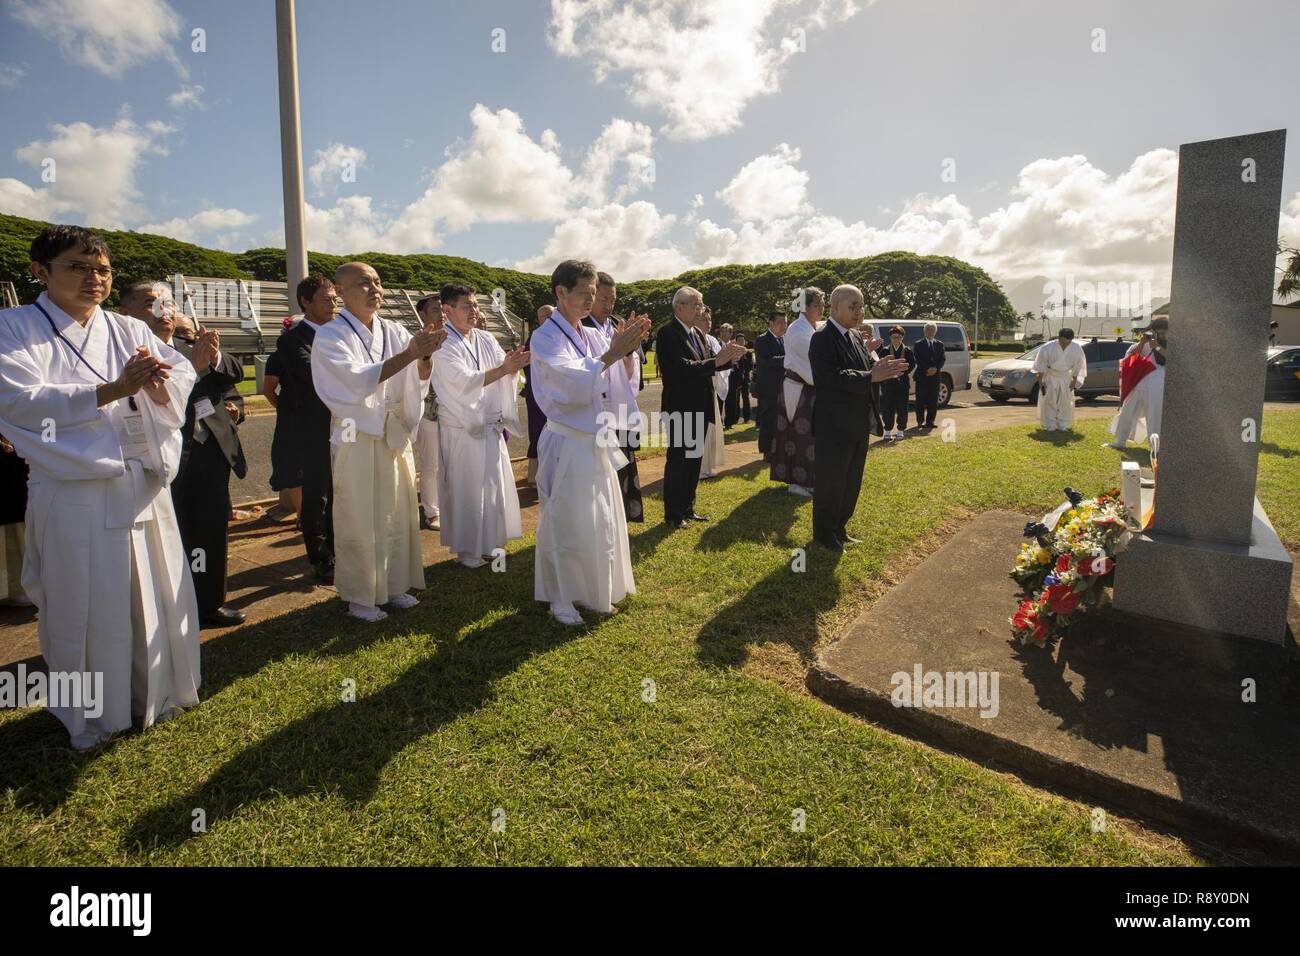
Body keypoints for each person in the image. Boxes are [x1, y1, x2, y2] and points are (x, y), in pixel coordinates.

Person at [0, 225, 200, 749]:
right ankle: (88, 717)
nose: (95, 279)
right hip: (77, 490)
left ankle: (154, 694)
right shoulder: (14, 327)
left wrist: (159, 385)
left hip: (141, 482)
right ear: (40, 271)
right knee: (82, 605)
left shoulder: (127, 328)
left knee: (153, 592)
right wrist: (114, 389)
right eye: (79, 267)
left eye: (104, 270)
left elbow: (180, 375)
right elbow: (20, 400)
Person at [312, 262, 443, 621]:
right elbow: (353, 382)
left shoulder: (394, 329)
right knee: (359, 513)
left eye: (378, 282)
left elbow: (414, 379)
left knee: (397, 509)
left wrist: (425, 356)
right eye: (363, 283)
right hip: (356, 432)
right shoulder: (330, 335)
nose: (374, 289)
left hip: (392, 429)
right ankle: (361, 596)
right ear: (340, 291)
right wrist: (411, 354)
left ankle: (395, 584)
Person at [119, 282, 247, 629]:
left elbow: (232, 376)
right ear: (125, 312)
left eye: (168, 304)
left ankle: (207, 604)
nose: (164, 312)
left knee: (207, 532)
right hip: (155, 461)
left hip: (207, 455)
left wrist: (212, 359)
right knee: (161, 538)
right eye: (150, 304)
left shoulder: (188, 345)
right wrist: (192, 367)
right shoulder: (118, 354)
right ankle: (159, 611)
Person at [530, 259, 650, 625]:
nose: (590, 300)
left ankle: (596, 589)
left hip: (595, 440)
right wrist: (614, 352)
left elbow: (616, 380)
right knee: (565, 520)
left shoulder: (593, 333)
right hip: (567, 442)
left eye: (593, 293)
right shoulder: (546, 336)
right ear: (561, 292)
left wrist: (625, 351)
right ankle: (560, 597)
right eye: (584, 293)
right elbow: (567, 380)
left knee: (599, 519)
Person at [431, 282, 528, 569]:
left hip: (490, 424)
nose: (474, 310)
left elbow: (506, 371)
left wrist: (512, 368)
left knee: (492, 486)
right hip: (462, 428)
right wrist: (504, 370)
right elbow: (460, 381)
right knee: (466, 488)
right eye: (467, 306)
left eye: (475, 304)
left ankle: (491, 543)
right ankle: (468, 551)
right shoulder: (440, 342)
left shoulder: (485, 338)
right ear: (447, 310)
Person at [809, 285, 909, 551]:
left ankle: (840, 527)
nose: (859, 311)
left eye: (861, 306)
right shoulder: (822, 338)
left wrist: (879, 370)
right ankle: (823, 533)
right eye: (853, 306)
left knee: (851, 481)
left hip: (857, 421)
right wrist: (871, 376)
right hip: (833, 424)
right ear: (836, 307)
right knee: (831, 481)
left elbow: (865, 370)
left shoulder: (854, 336)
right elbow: (829, 378)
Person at [655, 287, 744, 528]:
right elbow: (680, 370)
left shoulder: (698, 333)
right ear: (680, 307)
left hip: (701, 405)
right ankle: (674, 514)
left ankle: (687, 508)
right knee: (679, 461)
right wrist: (717, 361)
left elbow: (708, 367)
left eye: (701, 305)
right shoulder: (667, 333)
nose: (700, 310)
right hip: (680, 408)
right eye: (696, 305)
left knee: (694, 461)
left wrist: (728, 361)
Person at [274, 273, 338, 583]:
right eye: (326, 299)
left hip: (344, 426)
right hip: (313, 431)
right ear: (305, 302)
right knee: (318, 496)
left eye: (335, 298)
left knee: (340, 492)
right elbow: (312, 375)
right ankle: (321, 557)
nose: (333, 304)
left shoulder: (341, 335)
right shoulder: (292, 340)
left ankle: (342, 550)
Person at [582, 271, 644, 521]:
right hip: (594, 410)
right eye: (604, 299)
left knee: (622, 465)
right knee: (598, 472)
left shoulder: (617, 324)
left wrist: (629, 350)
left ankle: (620, 519)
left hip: (618, 408)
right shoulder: (580, 327)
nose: (609, 305)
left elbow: (632, 367)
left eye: (613, 300)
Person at [771, 288, 823, 495]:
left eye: (822, 304)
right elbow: (815, 356)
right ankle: (797, 482)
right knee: (798, 433)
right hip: (797, 387)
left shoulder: (812, 327)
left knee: (810, 433)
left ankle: (809, 479)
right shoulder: (798, 330)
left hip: (808, 386)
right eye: (816, 305)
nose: (821, 309)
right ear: (805, 307)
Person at [1107, 317, 1167, 448]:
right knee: (1126, 412)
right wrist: (1141, 344)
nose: (1161, 335)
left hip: (1157, 386)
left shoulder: (1169, 344)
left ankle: (1155, 447)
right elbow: (1129, 359)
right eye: (1159, 333)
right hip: (1138, 383)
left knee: (1154, 416)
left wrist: (1157, 347)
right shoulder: (1145, 343)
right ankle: (1120, 441)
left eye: (1164, 333)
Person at [263, 341, 301, 522]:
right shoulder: (279, 356)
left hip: (320, 417)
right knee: (290, 463)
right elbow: (268, 390)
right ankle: (302, 514)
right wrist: (285, 410)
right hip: (292, 418)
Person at [413, 294, 442, 531]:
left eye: (443, 308)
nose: (441, 313)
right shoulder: (416, 340)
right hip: (428, 412)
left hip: (455, 413)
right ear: (423, 314)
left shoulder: (455, 336)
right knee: (430, 464)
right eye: (435, 309)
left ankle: (450, 505)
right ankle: (432, 512)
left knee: (452, 463)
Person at [1032, 327, 1088, 431]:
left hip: (1066, 377)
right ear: (1059, 338)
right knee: (1050, 400)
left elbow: (1078, 365)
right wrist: (1041, 381)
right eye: (1063, 342)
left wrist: (1074, 380)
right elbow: (1041, 365)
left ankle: (1063, 424)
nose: (1066, 344)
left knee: (1065, 401)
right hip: (1051, 376)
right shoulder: (1047, 347)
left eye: (1068, 342)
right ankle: (1050, 425)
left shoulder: (1076, 348)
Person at [522, 304, 553, 487]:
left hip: (553, 395)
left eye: (551, 315)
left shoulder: (558, 334)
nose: (548, 319)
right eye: (544, 316)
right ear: (539, 319)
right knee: (538, 432)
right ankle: (535, 477)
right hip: (537, 394)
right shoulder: (536, 336)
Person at [697, 307, 727, 480]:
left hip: (710, 389)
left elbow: (720, 361)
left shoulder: (710, 340)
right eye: (704, 319)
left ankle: (707, 466)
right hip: (698, 391)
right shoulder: (692, 339)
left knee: (711, 430)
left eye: (710, 320)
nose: (708, 323)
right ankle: (699, 467)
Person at [754, 310, 787, 458]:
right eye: (780, 323)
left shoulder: (786, 339)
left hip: (784, 386)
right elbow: (767, 361)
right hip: (768, 388)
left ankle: (779, 448)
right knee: (768, 419)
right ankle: (767, 451)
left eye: (785, 322)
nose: (783, 326)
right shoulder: (762, 340)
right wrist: (788, 358)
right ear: (771, 323)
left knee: (781, 420)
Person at [878, 324, 915, 440]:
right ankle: (888, 430)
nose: (896, 339)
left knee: (902, 407)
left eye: (898, 337)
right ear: (890, 338)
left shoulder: (908, 351)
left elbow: (912, 364)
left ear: (902, 337)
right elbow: (880, 364)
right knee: (888, 407)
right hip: (888, 384)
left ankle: (900, 430)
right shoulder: (884, 351)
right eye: (894, 337)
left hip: (902, 383)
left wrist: (902, 371)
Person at [913, 321, 945, 429]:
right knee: (920, 400)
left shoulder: (940, 344)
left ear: (935, 332)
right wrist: (927, 369)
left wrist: (936, 368)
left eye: (932, 330)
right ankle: (920, 421)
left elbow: (942, 359)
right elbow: (917, 358)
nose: (930, 332)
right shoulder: (918, 344)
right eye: (928, 330)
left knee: (933, 399)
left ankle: (930, 421)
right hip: (922, 376)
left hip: (935, 376)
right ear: (924, 331)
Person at [725, 331, 753, 427]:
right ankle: (735, 419)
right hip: (734, 379)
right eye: (739, 340)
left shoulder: (748, 353)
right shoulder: (733, 353)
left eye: (742, 340)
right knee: (735, 400)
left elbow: (750, 366)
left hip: (745, 379)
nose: (741, 342)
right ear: (735, 342)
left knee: (746, 399)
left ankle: (747, 418)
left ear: (745, 342)